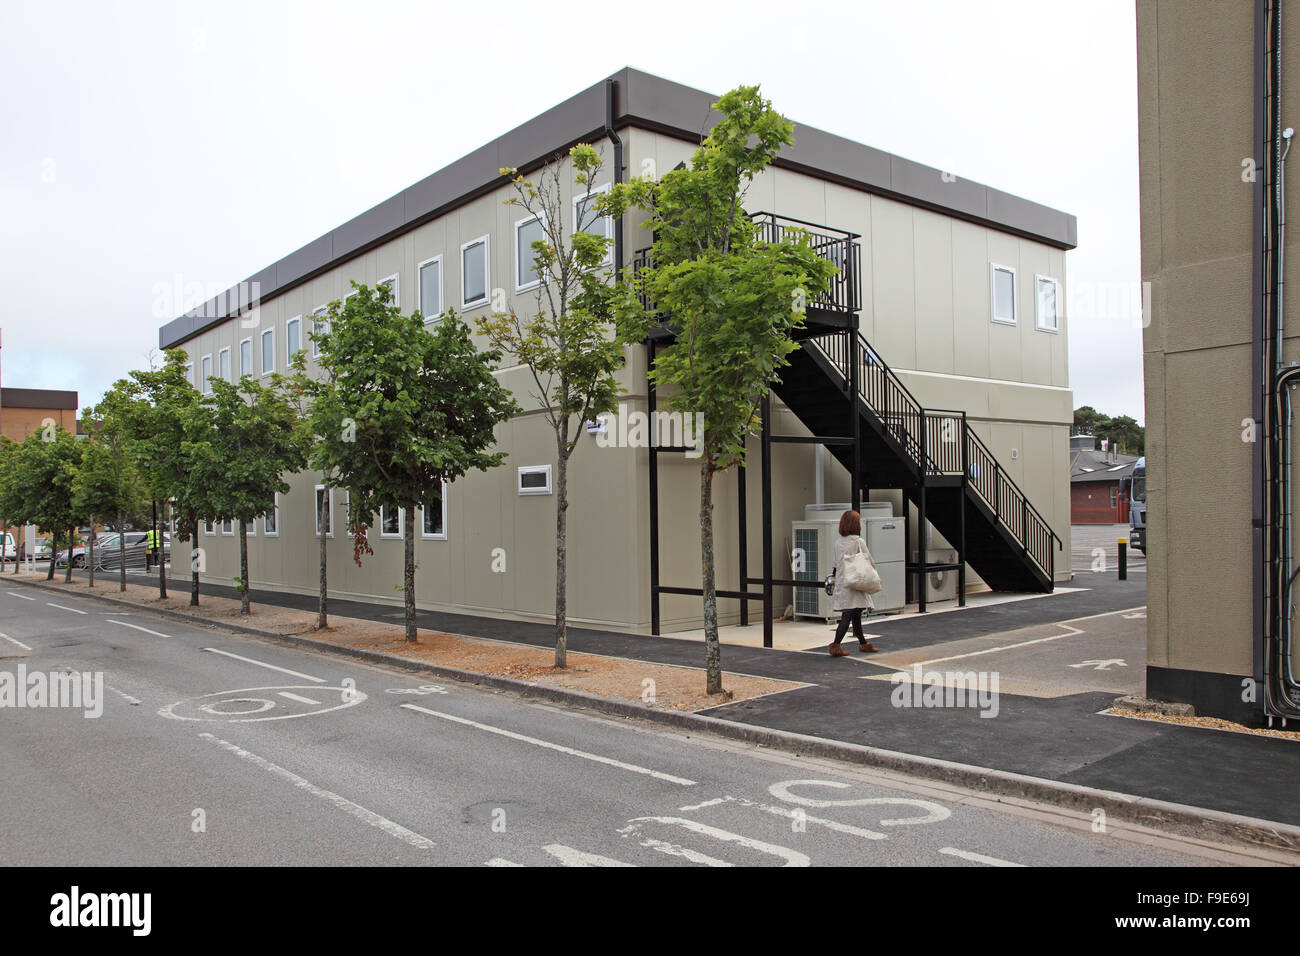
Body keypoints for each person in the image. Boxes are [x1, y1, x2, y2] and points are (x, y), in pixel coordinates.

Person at [829, 509, 878, 656]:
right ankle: (835, 645)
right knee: (849, 615)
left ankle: (863, 643)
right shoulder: (858, 541)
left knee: (855, 613)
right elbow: (869, 560)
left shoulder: (838, 542)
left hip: (843, 581)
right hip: (856, 582)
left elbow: (837, 563)